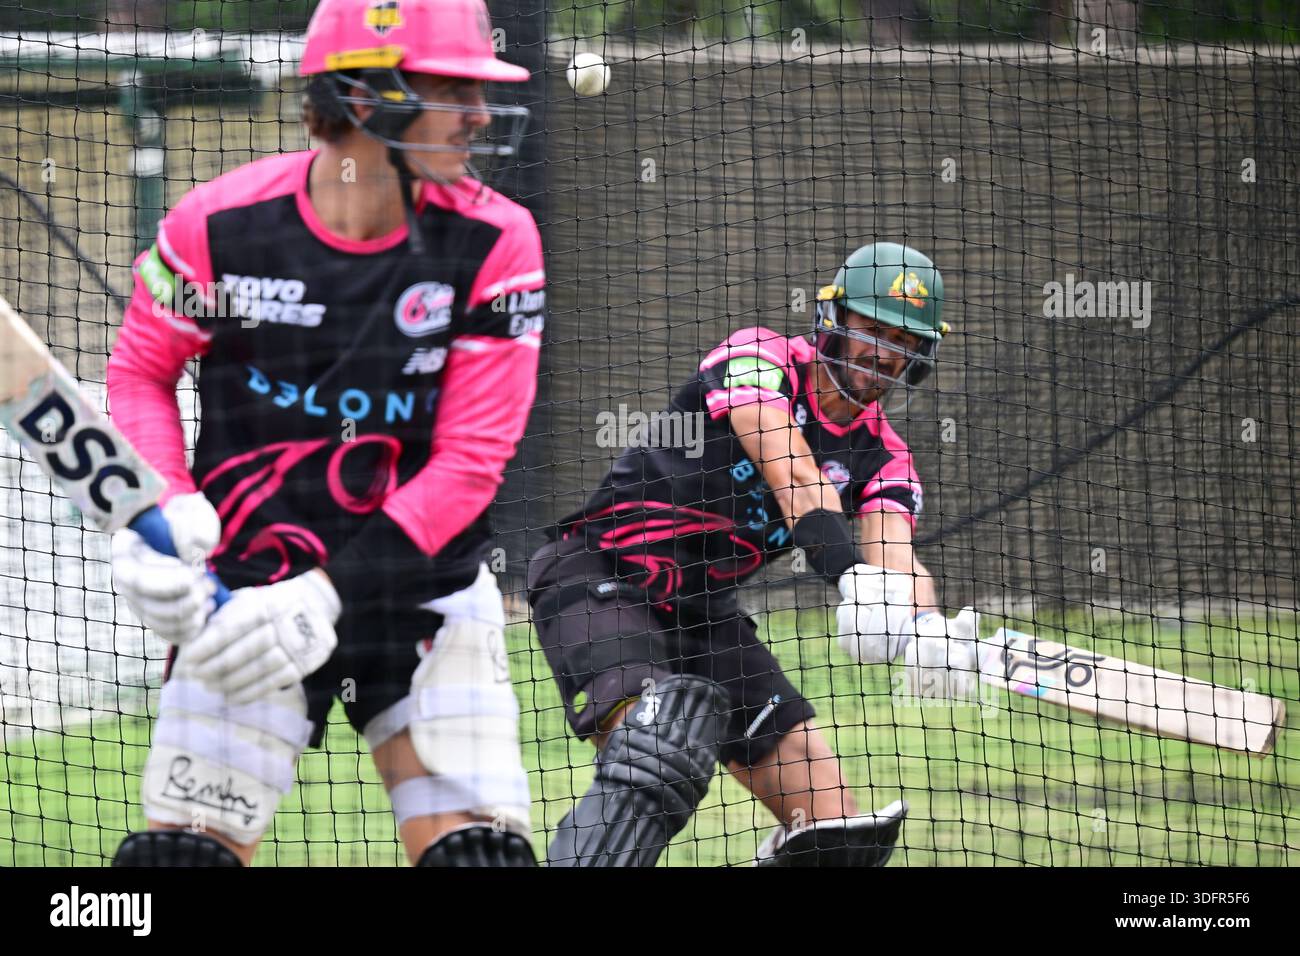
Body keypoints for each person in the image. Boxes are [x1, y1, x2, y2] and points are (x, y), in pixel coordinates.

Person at [105, 0, 545, 867]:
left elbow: (470, 463)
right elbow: (140, 374)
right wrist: (157, 513)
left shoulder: (498, 239)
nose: (481, 114)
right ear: (368, 98)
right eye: (456, 88)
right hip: (244, 596)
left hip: (425, 595)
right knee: (173, 868)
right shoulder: (215, 225)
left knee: (480, 862)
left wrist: (325, 595)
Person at [528, 241, 980, 866]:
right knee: (656, 751)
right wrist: (852, 577)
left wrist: (926, 624)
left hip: (704, 613)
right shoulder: (758, 358)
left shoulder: (885, 456)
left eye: (903, 342)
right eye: (872, 330)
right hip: (601, 575)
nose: (883, 355)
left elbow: (897, 556)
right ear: (836, 322)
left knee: (835, 842)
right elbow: (794, 476)